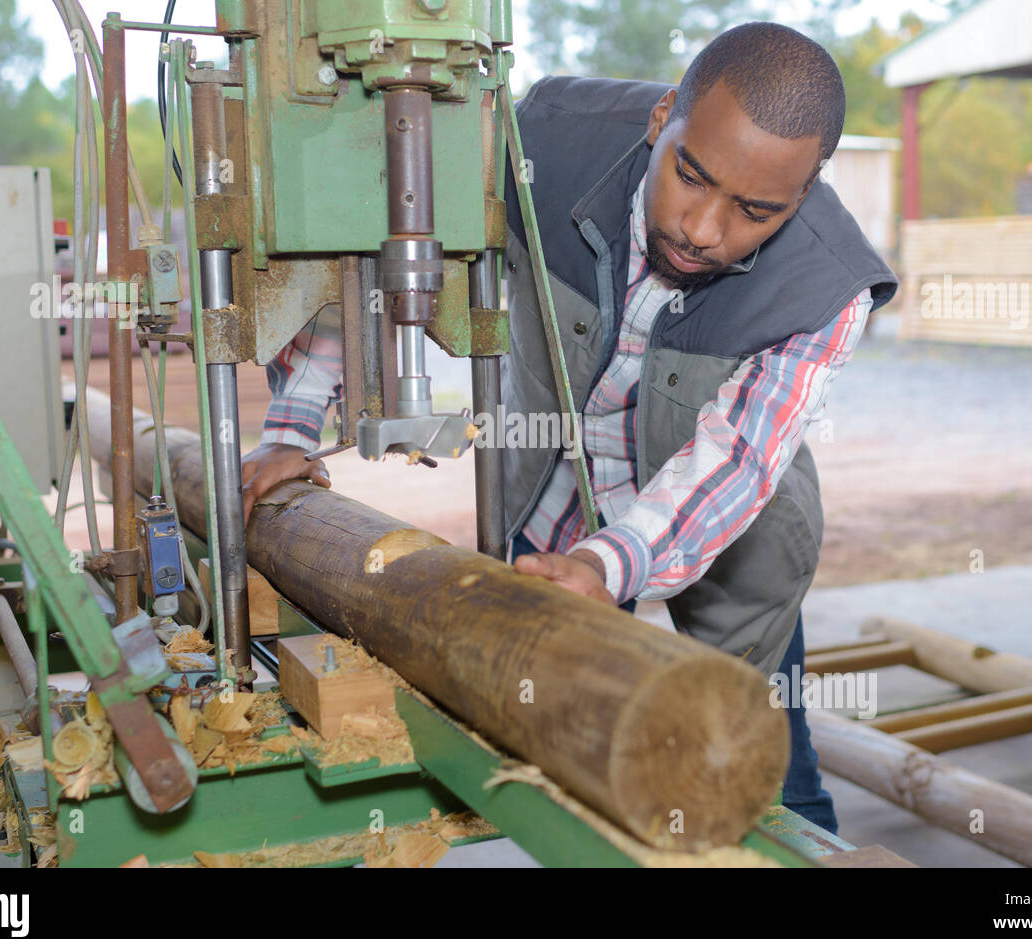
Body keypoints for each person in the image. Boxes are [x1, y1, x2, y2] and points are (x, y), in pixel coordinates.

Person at [240, 22, 898, 834]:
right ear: (663, 119)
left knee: (750, 769)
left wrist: (609, 562)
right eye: (691, 176)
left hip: (731, 533)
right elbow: (379, 248)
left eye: (755, 210)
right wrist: (293, 427)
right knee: (542, 737)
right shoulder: (537, 143)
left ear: (805, 195)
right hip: (553, 509)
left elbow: (735, 459)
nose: (702, 228)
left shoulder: (831, 286)